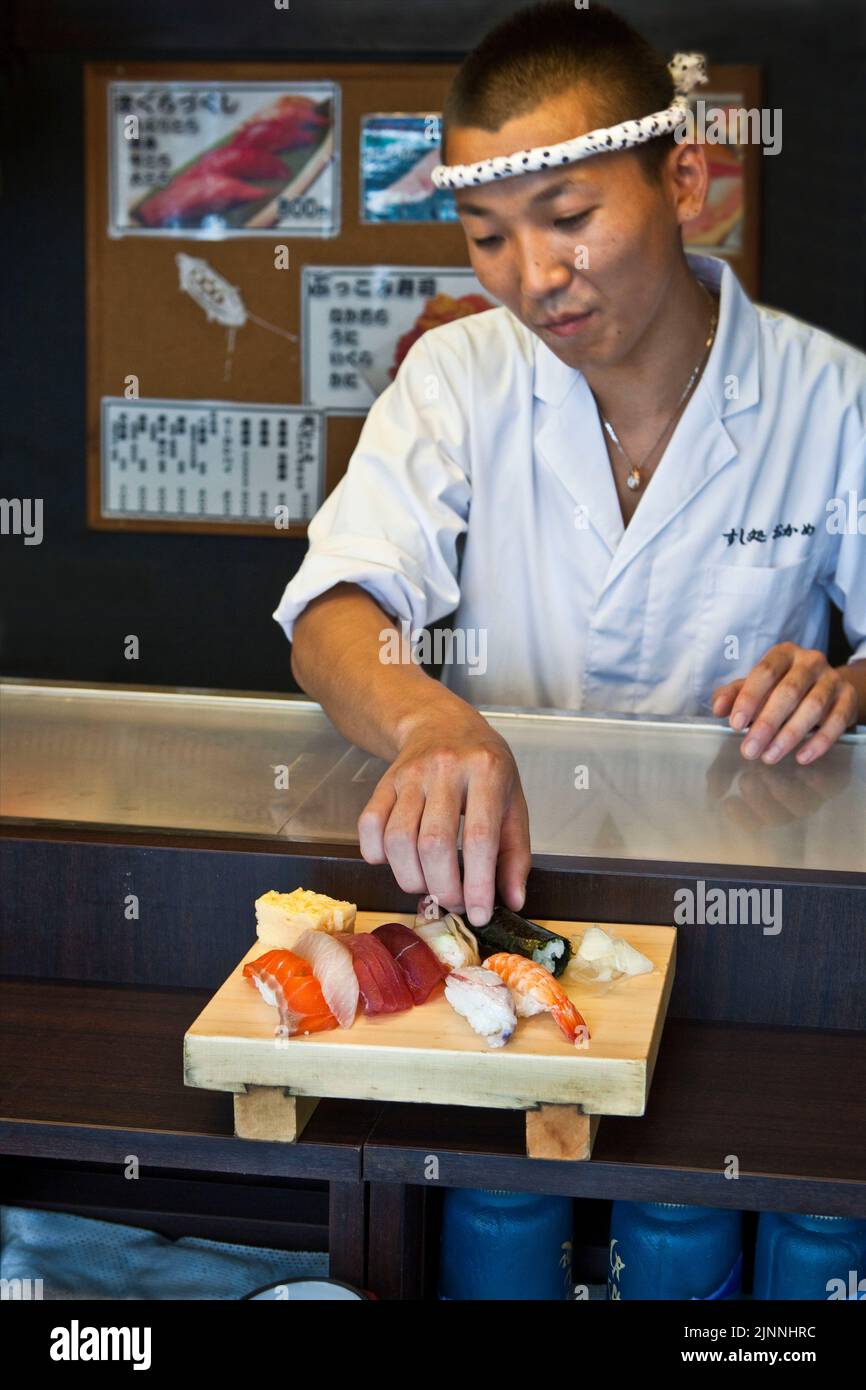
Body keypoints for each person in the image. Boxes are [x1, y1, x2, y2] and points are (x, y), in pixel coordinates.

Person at [272, 2, 866, 925]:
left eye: (569, 216)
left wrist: (845, 689)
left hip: (743, 885)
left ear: (682, 179)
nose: (535, 276)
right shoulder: (458, 375)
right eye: (488, 236)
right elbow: (336, 611)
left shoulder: (833, 398)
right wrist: (428, 722)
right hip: (490, 887)